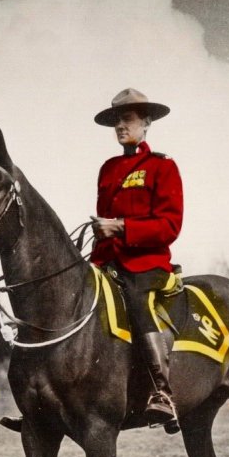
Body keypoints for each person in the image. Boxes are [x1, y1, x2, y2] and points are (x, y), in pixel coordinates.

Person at [90, 88, 183, 428]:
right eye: (117, 120)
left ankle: (163, 392)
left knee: (135, 298)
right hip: (108, 262)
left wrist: (120, 227)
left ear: (146, 123)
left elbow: (170, 225)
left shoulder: (162, 166)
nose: (120, 126)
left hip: (146, 264)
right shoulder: (108, 169)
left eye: (127, 119)